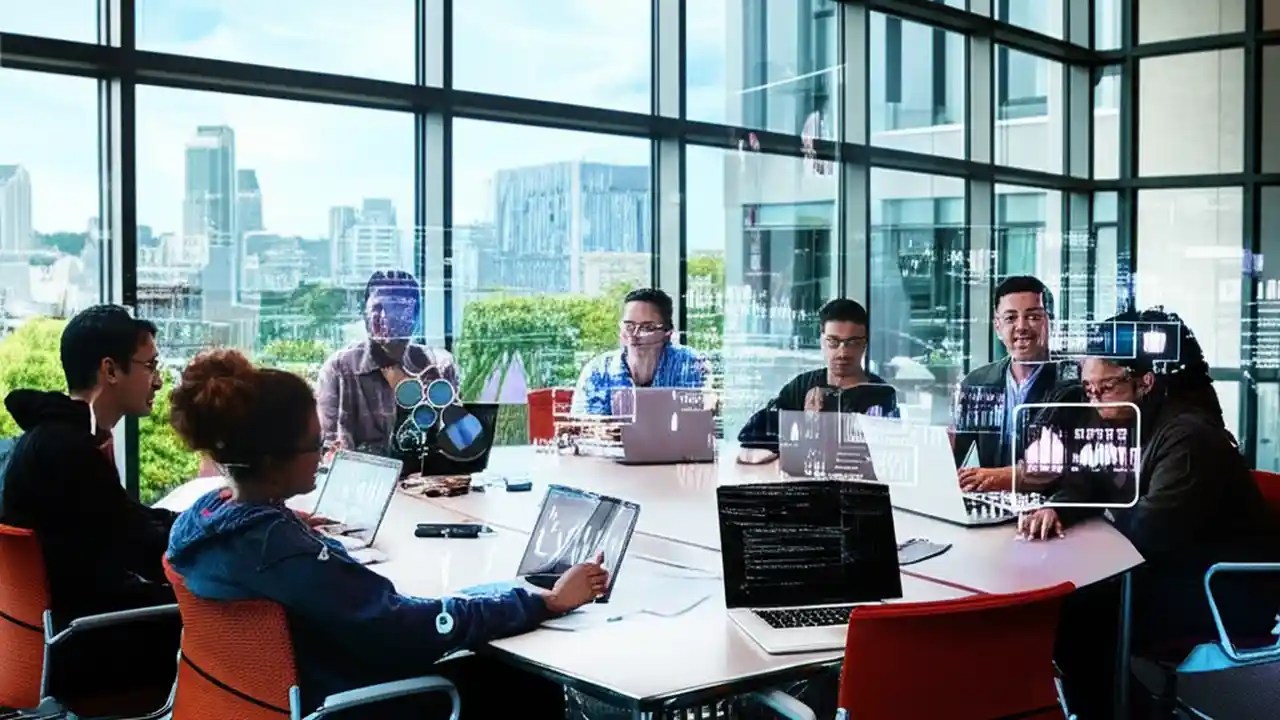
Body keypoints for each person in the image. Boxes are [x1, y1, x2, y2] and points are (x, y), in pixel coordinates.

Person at [166, 349, 609, 719]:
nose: (321, 456)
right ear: (271, 460)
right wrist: (543, 602)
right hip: (346, 702)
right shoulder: (279, 551)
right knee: (517, 680)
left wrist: (287, 522)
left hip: (263, 698)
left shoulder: (206, 515)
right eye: (315, 446)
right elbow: (403, 628)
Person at [1020, 309, 1280, 719]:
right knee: (1077, 610)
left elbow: (1148, 535)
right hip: (1171, 574)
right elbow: (1089, 480)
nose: (1095, 399)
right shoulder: (1123, 418)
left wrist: (1093, 528)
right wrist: (1058, 507)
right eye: (1089, 388)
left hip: (1223, 588)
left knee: (1078, 617)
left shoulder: (1187, 438)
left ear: (1145, 382)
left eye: (1106, 387)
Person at [0, 304, 179, 707]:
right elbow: (146, 551)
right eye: (150, 366)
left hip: (51, 637)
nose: (159, 381)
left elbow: (124, 518)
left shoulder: (48, 439)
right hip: (87, 646)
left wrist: (209, 517)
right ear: (110, 370)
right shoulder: (70, 453)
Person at [952, 276, 1079, 492]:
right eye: (1011, 318)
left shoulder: (1075, 383)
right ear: (997, 326)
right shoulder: (976, 382)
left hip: (1053, 510)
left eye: (1033, 316)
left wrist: (1000, 477)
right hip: (993, 510)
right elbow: (954, 458)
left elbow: (1069, 463)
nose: (1021, 327)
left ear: (1052, 322)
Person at [737, 299, 899, 464]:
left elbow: (888, 456)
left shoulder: (881, 394)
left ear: (865, 344)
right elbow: (752, 437)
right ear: (822, 342)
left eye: (853, 343)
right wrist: (802, 424)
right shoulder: (801, 386)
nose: (843, 352)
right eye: (833, 342)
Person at [317, 270, 458, 455]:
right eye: (377, 308)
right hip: (361, 480)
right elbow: (327, 448)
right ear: (364, 313)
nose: (385, 318)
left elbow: (459, 443)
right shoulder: (339, 368)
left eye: (397, 309)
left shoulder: (439, 366)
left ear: (415, 316)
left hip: (427, 481)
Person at [570, 287, 710, 415]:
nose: (635, 334)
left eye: (647, 327)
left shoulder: (691, 365)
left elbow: (699, 422)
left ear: (667, 333)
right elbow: (581, 426)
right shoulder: (597, 370)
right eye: (629, 326)